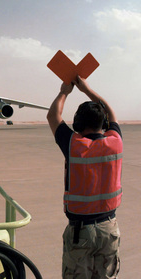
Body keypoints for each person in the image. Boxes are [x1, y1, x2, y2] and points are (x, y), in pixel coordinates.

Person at [47, 76, 122, 279]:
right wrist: (88, 90)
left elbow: (53, 116)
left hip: (81, 231)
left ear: (78, 123)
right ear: (103, 121)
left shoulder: (74, 144)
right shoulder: (115, 141)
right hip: (109, 227)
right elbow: (111, 112)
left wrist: (64, 91)